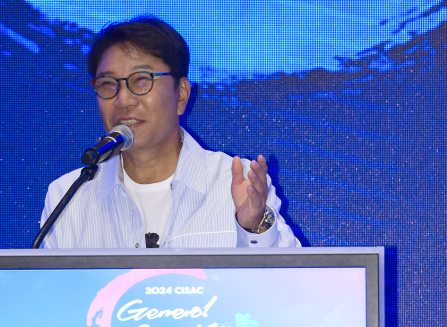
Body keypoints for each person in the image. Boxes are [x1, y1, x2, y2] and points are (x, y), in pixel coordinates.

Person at [40, 16, 300, 249]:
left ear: (181, 95)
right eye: (107, 84)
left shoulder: (235, 184)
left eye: (141, 80)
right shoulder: (68, 198)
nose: (123, 100)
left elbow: (292, 282)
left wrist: (254, 227)